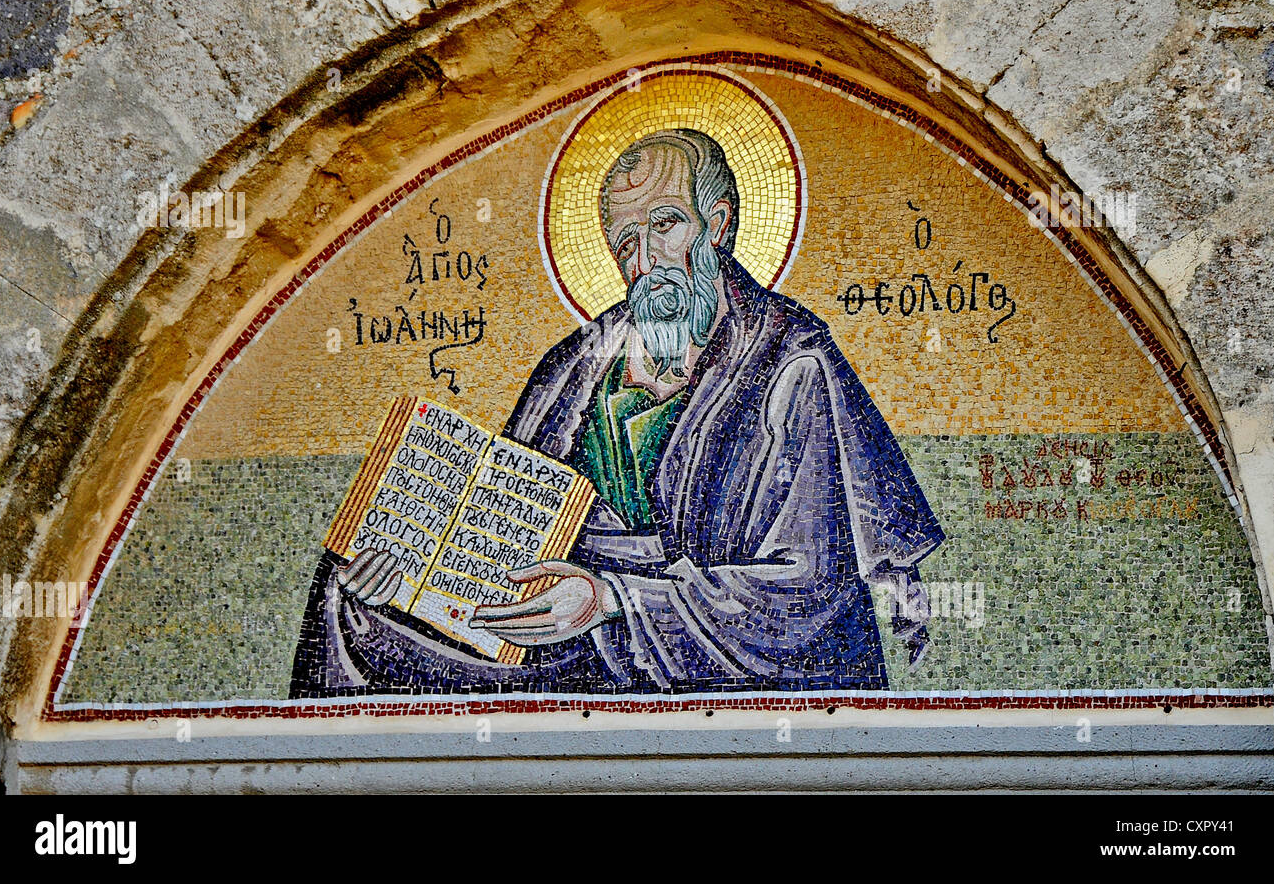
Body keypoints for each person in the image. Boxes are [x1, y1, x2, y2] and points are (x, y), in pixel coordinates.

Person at [290, 128, 943, 697]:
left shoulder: (792, 364)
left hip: (708, 645)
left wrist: (613, 601)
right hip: (570, 640)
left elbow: (807, 592)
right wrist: (415, 573)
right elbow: (503, 533)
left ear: (716, 224)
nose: (647, 260)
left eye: (665, 224)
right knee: (354, 605)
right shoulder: (573, 369)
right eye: (625, 240)